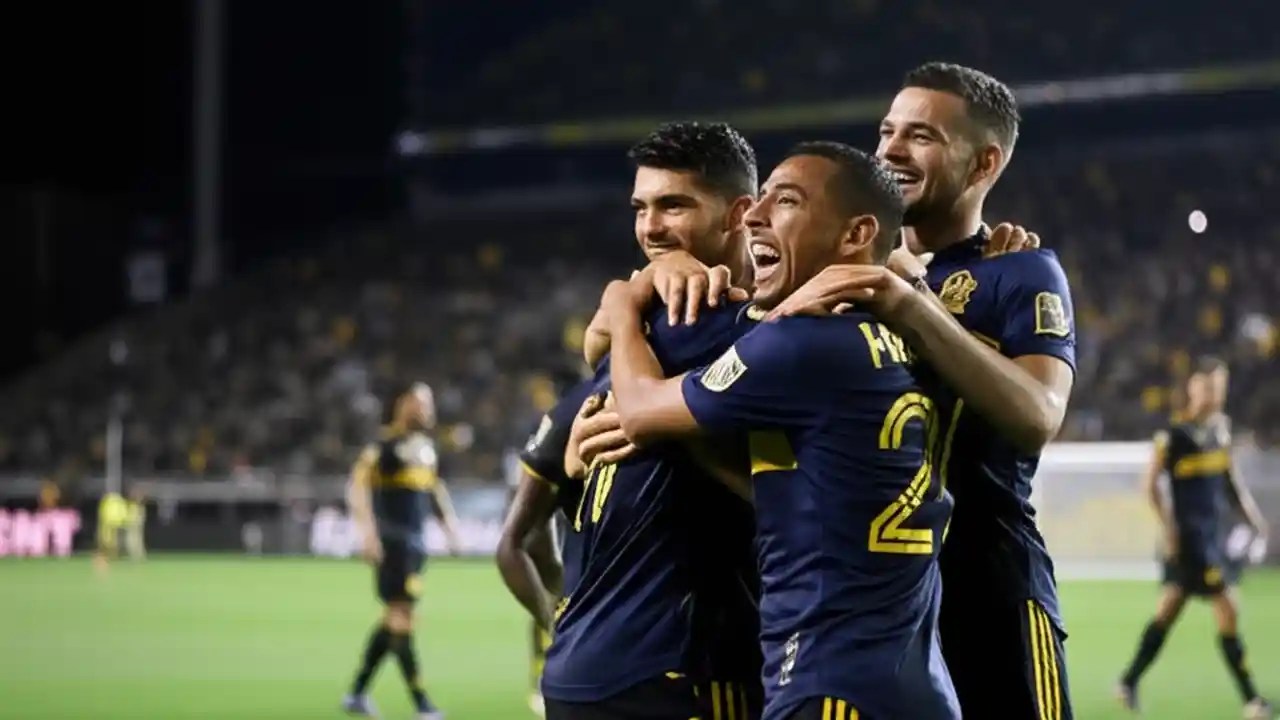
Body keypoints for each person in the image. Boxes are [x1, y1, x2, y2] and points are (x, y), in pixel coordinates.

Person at [604, 142, 958, 720]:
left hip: (830, 684)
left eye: (786, 200)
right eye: (760, 196)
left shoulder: (798, 344)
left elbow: (640, 411)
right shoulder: (915, 343)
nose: (754, 215)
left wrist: (621, 306)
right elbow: (810, 487)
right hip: (917, 683)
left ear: (855, 234)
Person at [767, 62, 1077, 720]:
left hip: (989, 593)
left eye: (922, 136)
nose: (890, 150)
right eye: (886, 132)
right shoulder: (836, 271)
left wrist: (911, 301)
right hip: (864, 610)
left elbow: (1039, 415)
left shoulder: (1018, 271)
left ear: (984, 162)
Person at [502, 120, 766, 720]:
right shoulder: (642, 334)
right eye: (641, 208)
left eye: (674, 206)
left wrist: (623, 312)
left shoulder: (763, 333)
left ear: (739, 213)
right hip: (637, 674)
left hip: (685, 673)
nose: (650, 228)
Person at [1117, 358, 1271, 718]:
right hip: (1189, 541)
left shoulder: (1221, 431)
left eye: (1220, 387)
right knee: (1228, 607)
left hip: (1212, 536)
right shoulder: (1174, 436)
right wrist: (1169, 528)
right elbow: (1149, 484)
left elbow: (1231, 481)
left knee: (1168, 611)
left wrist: (1254, 519)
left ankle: (1128, 681)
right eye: (1208, 387)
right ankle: (1252, 700)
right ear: (1193, 389)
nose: (1215, 394)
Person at [342, 382, 462, 720]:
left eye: (429, 402)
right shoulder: (385, 446)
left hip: (415, 547)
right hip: (392, 543)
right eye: (421, 402)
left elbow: (434, 488)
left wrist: (449, 524)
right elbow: (357, 485)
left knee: (393, 621)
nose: (427, 409)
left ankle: (356, 693)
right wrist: (367, 534)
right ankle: (422, 703)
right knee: (402, 617)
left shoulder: (425, 448)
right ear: (403, 405)